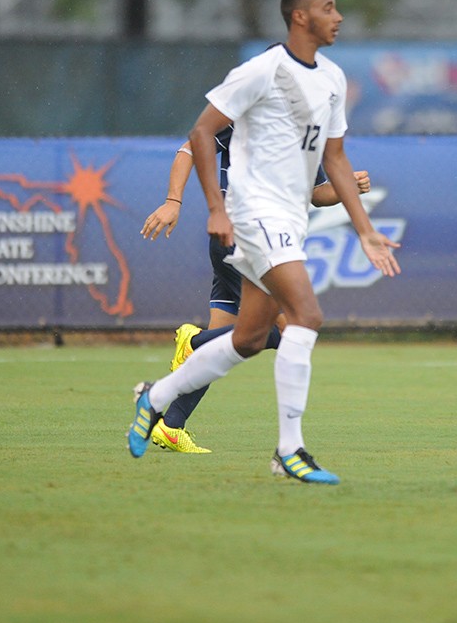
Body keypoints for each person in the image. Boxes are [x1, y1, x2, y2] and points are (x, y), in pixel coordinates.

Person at [126, 0, 401, 485]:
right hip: (252, 215)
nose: (338, 16)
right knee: (305, 316)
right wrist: (214, 208)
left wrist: (364, 229)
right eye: (328, 7)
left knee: (250, 339)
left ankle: (156, 398)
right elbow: (199, 133)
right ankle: (289, 451)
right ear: (300, 17)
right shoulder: (262, 71)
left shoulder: (333, 79)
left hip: (288, 220)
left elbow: (335, 161)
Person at [139, 126, 372, 454]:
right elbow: (189, 149)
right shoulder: (247, 115)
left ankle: (172, 424)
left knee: (220, 348)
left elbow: (318, 193)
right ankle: (194, 342)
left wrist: (347, 187)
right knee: (293, 330)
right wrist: (172, 201)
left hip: (249, 241)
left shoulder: (304, 129)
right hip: (245, 238)